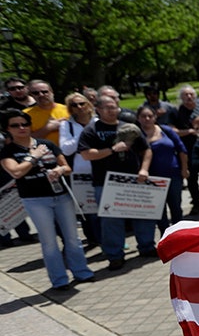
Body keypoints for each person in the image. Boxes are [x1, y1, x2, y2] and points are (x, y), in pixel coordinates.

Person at [0, 110, 95, 290]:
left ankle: (82, 272)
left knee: (73, 238)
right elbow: (17, 172)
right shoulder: (8, 151)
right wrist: (34, 156)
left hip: (61, 196)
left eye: (25, 124)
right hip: (35, 200)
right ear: (7, 129)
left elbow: (66, 167)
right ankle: (59, 280)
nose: (21, 128)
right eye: (15, 125)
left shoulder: (47, 144)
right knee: (49, 241)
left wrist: (59, 171)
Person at [78, 96, 156, 270]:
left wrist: (144, 169)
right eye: (107, 108)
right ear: (97, 109)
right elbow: (86, 154)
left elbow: (146, 150)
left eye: (114, 107)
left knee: (143, 216)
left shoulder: (129, 127)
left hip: (134, 181)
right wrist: (112, 149)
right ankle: (115, 255)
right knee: (111, 222)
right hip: (106, 183)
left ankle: (147, 247)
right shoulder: (91, 130)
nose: (111, 111)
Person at [57, 92, 100, 248]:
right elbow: (66, 149)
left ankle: (108, 239)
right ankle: (93, 238)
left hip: (101, 169)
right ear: (70, 108)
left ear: (89, 104)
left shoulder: (99, 121)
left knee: (104, 208)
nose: (80, 107)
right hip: (80, 172)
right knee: (87, 209)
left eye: (82, 103)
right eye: (75, 105)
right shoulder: (66, 125)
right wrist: (87, 132)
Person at [137, 105, 187, 234]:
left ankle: (180, 235)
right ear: (138, 118)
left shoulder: (166, 130)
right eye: (143, 116)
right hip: (152, 178)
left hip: (173, 174)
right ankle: (165, 235)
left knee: (176, 207)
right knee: (159, 211)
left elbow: (181, 149)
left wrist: (184, 169)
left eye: (150, 116)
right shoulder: (137, 135)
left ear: (155, 117)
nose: (147, 119)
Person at [170, 86, 199, 215]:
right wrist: (189, 131)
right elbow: (173, 131)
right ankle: (196, 203)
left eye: (191, 94)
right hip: (187, 151)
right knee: (191, 179)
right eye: (185, 95)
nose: (189, 97)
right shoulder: (176, 112)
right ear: (181, 97)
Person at [23, 80, 68, 145]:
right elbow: (24, 139)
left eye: (45, 92)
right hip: (43, 153)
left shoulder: (68, 109)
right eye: (36, 93)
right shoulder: (25, 114)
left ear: (52, 92)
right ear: (31, 95)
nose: (41, 95)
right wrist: (48, 128)